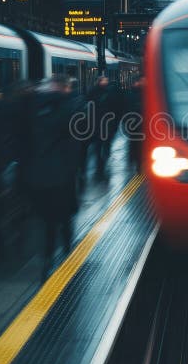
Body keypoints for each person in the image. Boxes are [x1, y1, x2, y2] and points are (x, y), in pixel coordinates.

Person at [17, 75, 81, 281]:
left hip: (39, 176)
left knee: (48, 222)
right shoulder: (70, 107)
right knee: (64, 216)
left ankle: (47, 261)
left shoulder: (33, 108)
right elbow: (76, 141)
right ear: (64, 87)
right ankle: (68, 251)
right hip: (62, 174)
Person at [85, 75, 124, 180]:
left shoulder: (101, 93)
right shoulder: (98, 93)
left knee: (103, 147)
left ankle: (101, 165)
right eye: (103, 80)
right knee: (100, 147)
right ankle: (100, 167)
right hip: (99, 126)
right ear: (99, 81)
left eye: (106, 80)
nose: (105, 82)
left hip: (105, 125)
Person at [123, 74, 145, 173]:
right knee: (136, 144)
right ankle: (136, 163)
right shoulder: (139, 94)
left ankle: (134, 161)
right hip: (136, 123)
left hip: (135, 123)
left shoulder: (129, 93)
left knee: (134, 143)